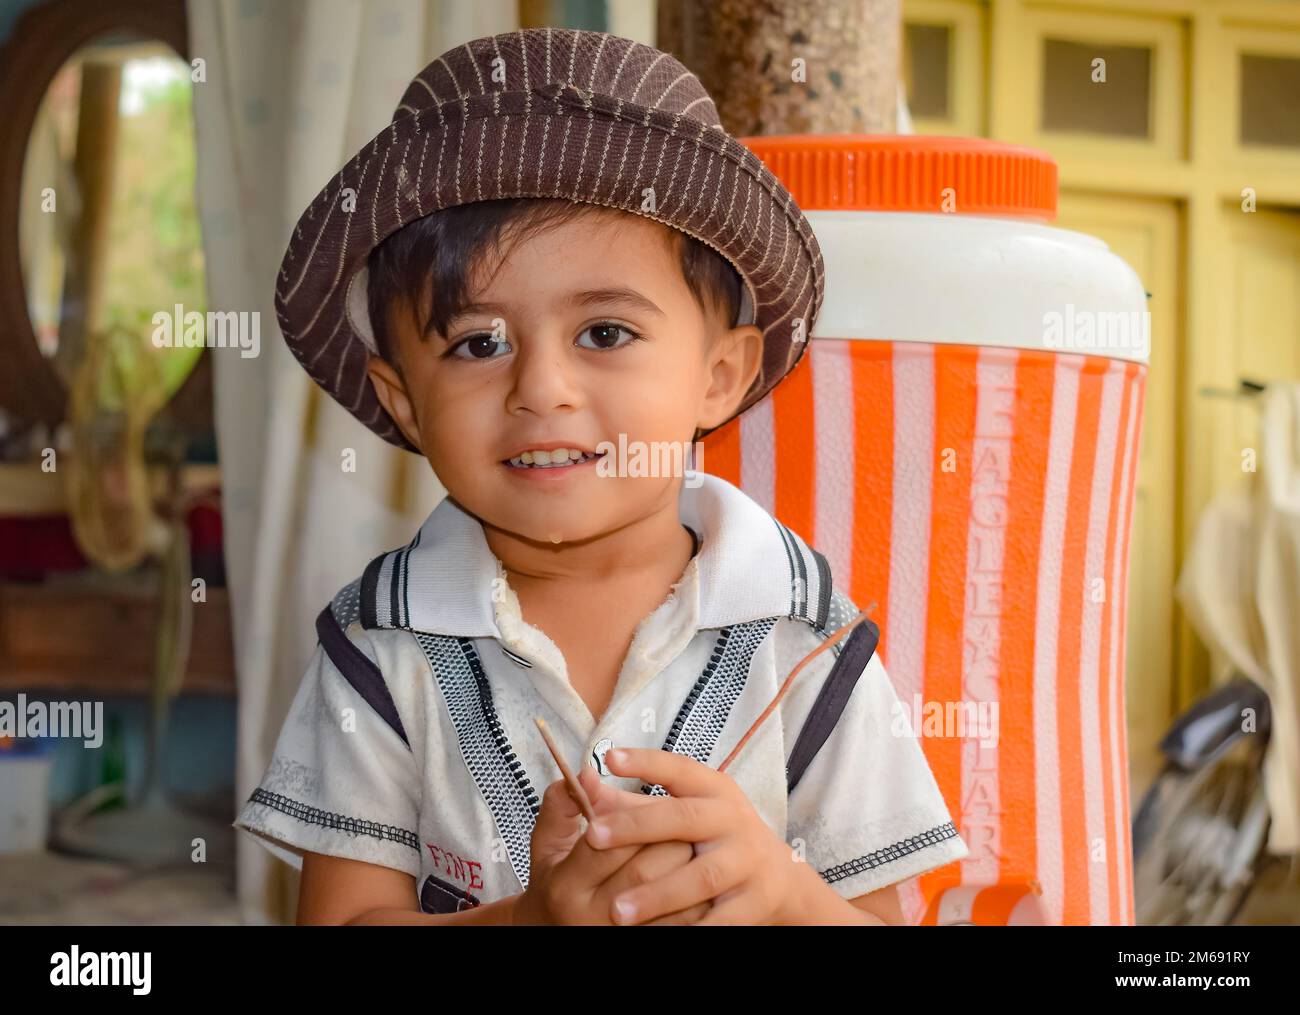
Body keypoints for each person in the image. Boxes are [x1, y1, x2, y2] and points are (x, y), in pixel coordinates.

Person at [234, 27, 968, 925]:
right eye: (477, 343)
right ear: (405, 402)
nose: (541, 388)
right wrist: (530, 918)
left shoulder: (807, 639)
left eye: (605, 333)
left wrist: (780, 894)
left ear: (720, 374)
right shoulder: (378, 646)